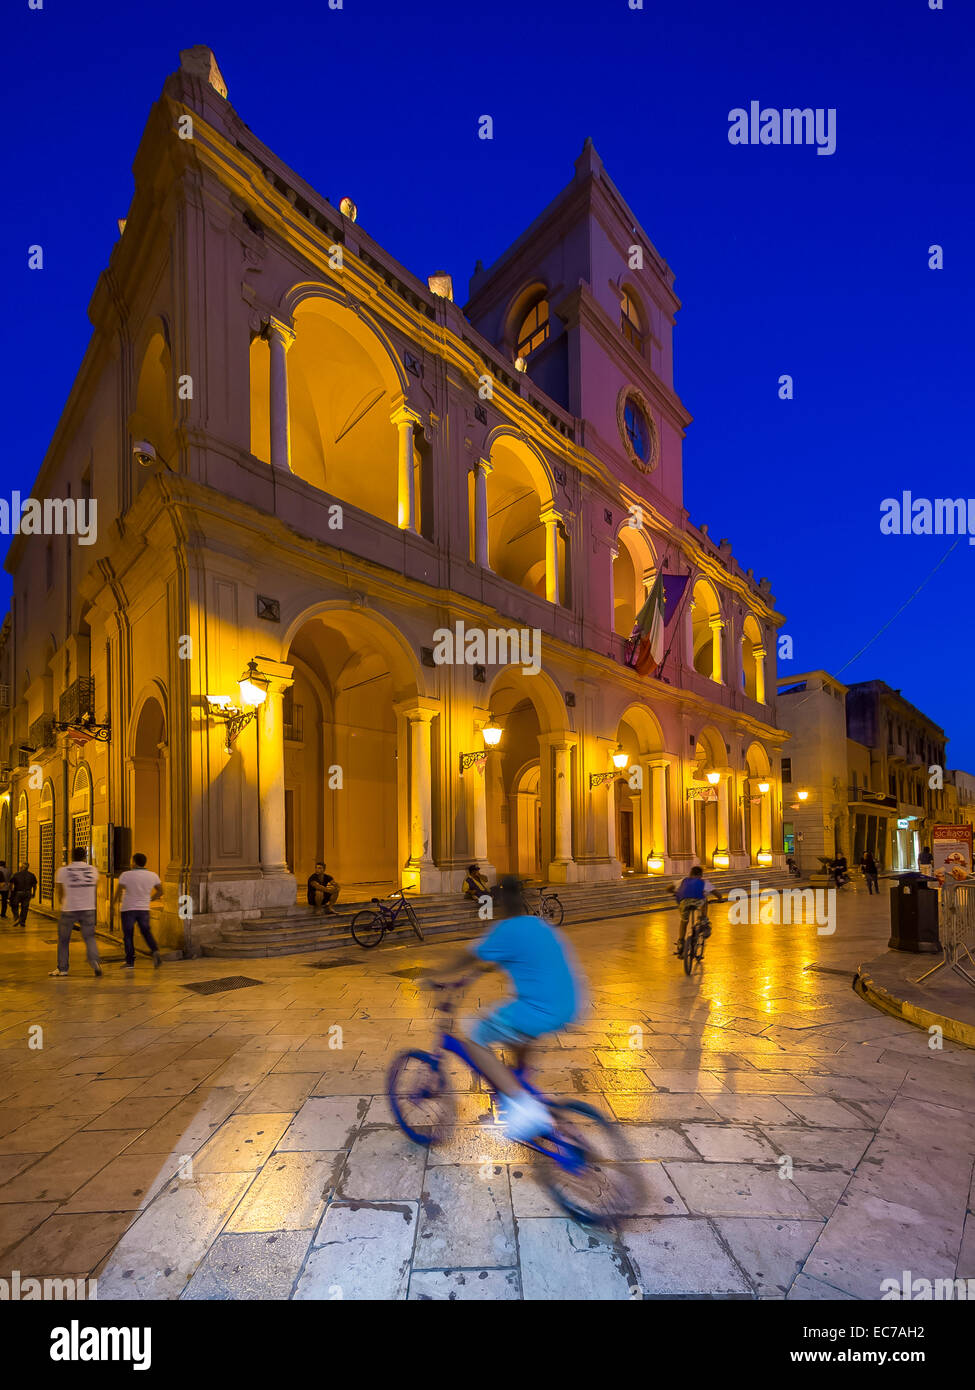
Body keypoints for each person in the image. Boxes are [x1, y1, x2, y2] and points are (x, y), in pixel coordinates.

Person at [425, 875, 584, 1142]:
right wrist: (475, 973)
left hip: (539, 1008)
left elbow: (468, 956)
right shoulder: (538, 925)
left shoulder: (505, 930)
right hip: (569, 1004)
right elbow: (494, 959)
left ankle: (522, 1106)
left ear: (499, 903)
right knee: (519, 1032)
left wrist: (435, 976)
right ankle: (522, 1078)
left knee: (474, 1035)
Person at [50, 848, 101, 978]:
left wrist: (61, 904)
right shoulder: (93, 870)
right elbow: (95, 889)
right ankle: (94, 961)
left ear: (71, 856)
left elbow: (59, 891)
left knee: (63, 939)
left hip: (69, 908)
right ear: (85, 856)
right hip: (88, 908)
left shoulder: (63, 871)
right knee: (89, 937)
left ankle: (63, 969)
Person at [117, 852, 164, 969]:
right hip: (143, 908)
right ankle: (155, 950)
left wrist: (114, 904)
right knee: (146, 932)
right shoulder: (153, 875)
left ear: (134, 862)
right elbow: (160, 891)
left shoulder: (125, 875)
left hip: (128, 908)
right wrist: (150, 899)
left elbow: (118, 891)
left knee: (128, 935)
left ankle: (130, 961)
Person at [672, 865, 716, 957]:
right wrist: (720, 898)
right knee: (705, 899)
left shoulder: (683, 880)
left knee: (684, 922)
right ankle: (703, 919)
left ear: (690, 874)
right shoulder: (703, 882)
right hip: (697, 901)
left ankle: (681, 942)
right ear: (701, 875)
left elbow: (668, 888)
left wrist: (675, 893)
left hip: (684, 903)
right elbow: (715, 892)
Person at [10, 862, 37, 927]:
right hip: (27, 893)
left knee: (14, 905)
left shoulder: (16, 874)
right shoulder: (32, 875)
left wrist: (11, 892)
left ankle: (17, 917)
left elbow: (11, 884)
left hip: (18, 893)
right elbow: (34, 885)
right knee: (25, 908)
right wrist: (34, 893)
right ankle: (22, 922)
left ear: (21, 867)